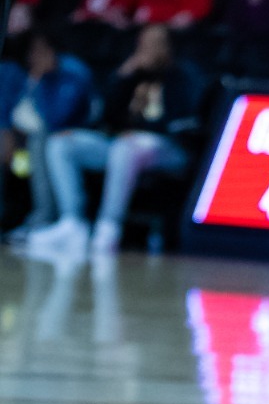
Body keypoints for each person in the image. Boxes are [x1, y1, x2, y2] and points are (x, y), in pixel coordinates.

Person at [30, 25, 199, 256]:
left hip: (167, 146)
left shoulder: (181, 75)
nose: (148, 48)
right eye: (144, 43)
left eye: (155, 43)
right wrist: (122, 77)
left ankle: (109, 226)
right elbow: (107, 116)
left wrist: (144, 130)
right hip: (121, 143)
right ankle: (72, 222)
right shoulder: (131, 73)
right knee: (61, 143)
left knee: (125, 147)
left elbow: (182, 118)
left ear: (168, 46)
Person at [0, 19, 96, 241]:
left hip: (71, 135)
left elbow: (56, 119)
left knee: (42, 139)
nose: (33, 56)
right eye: (30, 51)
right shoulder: (26, 72)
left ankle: (44, 218)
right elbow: (15, 111)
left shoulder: (71, 70)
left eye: (37, 50)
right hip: (28, 141)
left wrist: (41, 81)